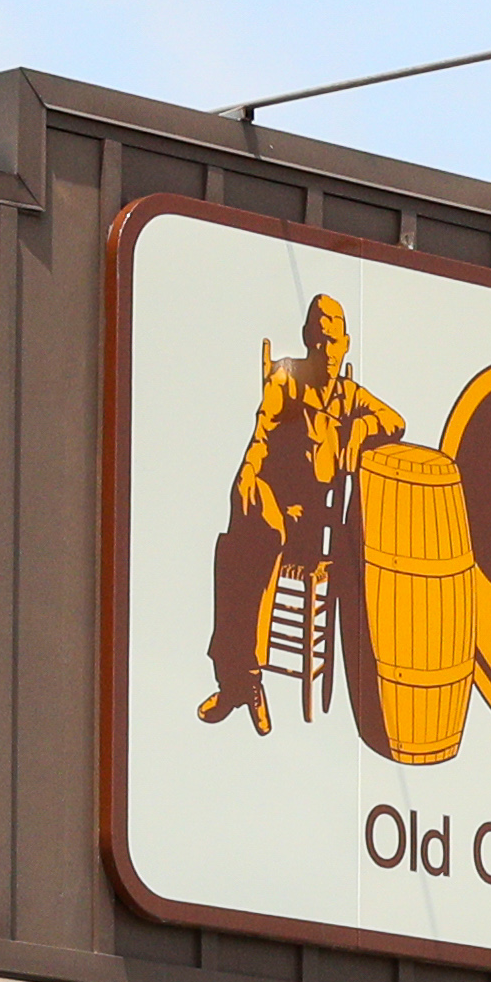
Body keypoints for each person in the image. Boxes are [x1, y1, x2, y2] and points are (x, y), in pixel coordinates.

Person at [200, 294, 405, 733]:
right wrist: (245, 479)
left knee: (245, 545)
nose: (328, 352)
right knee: (246, 539)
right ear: (310, 339)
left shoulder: (350, 397)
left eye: (336, 342)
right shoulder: (287, 378)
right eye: (322, 339)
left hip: (311, 527)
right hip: (270, 502)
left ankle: (238, 681)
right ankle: (245, 679)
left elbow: (395, 422)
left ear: (346, 345)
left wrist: (364, 428)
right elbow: (261, 433)